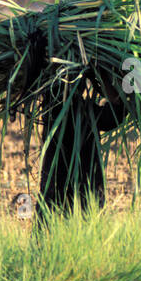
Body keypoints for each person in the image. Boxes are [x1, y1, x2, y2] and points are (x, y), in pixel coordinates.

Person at [24, 28, 129, 218]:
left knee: (52, 220)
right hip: (80, 196)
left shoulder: (55, 112)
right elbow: (118, 110)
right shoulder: (80, 113)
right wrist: (99, 71)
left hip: (64, 196)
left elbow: (117, 110)